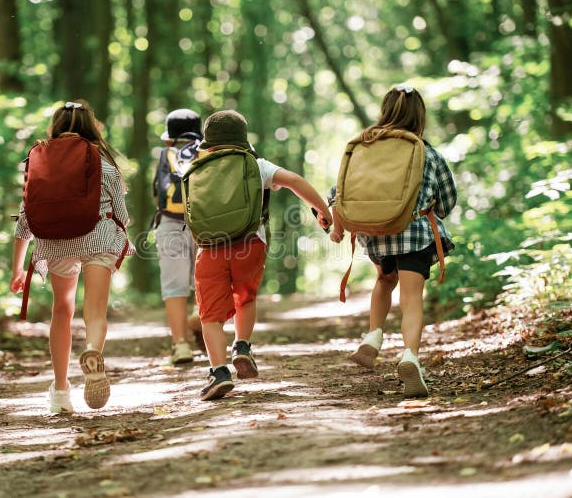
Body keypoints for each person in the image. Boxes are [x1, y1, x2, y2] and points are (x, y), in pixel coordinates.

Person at [194, 110, 333, 401]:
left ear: (208, 143)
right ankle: (242, 345)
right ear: (243, 139)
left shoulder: (196, 167)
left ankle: (219, 372)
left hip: (209, 247)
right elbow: (294, 180)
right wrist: (322, 209)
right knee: (245, 298)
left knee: (210, 315)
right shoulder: (256, 165)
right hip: (250, 243)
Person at [330, 85, 457, 398]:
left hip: (377, 235)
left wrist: (338, 224)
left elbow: (338, 194)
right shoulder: (427, 153)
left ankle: (373, 335)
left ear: (385, 111)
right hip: (414, 234)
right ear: (420, 117)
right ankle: (410, 356)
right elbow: (446, 202)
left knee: (384, 281)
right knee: (411, 298)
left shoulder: (364, 148)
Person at [10, 99, 134, 413]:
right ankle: (92, 351)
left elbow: (25, 218)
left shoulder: (39, 159)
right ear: (91, 126)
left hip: (57, 242)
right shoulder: (102, 160)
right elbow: (122, 214)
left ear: (55, 126)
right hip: (98, 237)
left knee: (62, 309)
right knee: (95, 311)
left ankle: (61, 392)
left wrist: (17, 269)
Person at [151, 109, 205, 364]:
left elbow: (157, 194)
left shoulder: (167, 154)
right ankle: (200, 316)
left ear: (169, 138)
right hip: (204, 222)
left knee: (174, 286)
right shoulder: (207, 152)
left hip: (171, 223)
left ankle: (181, 345)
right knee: (205, 278)